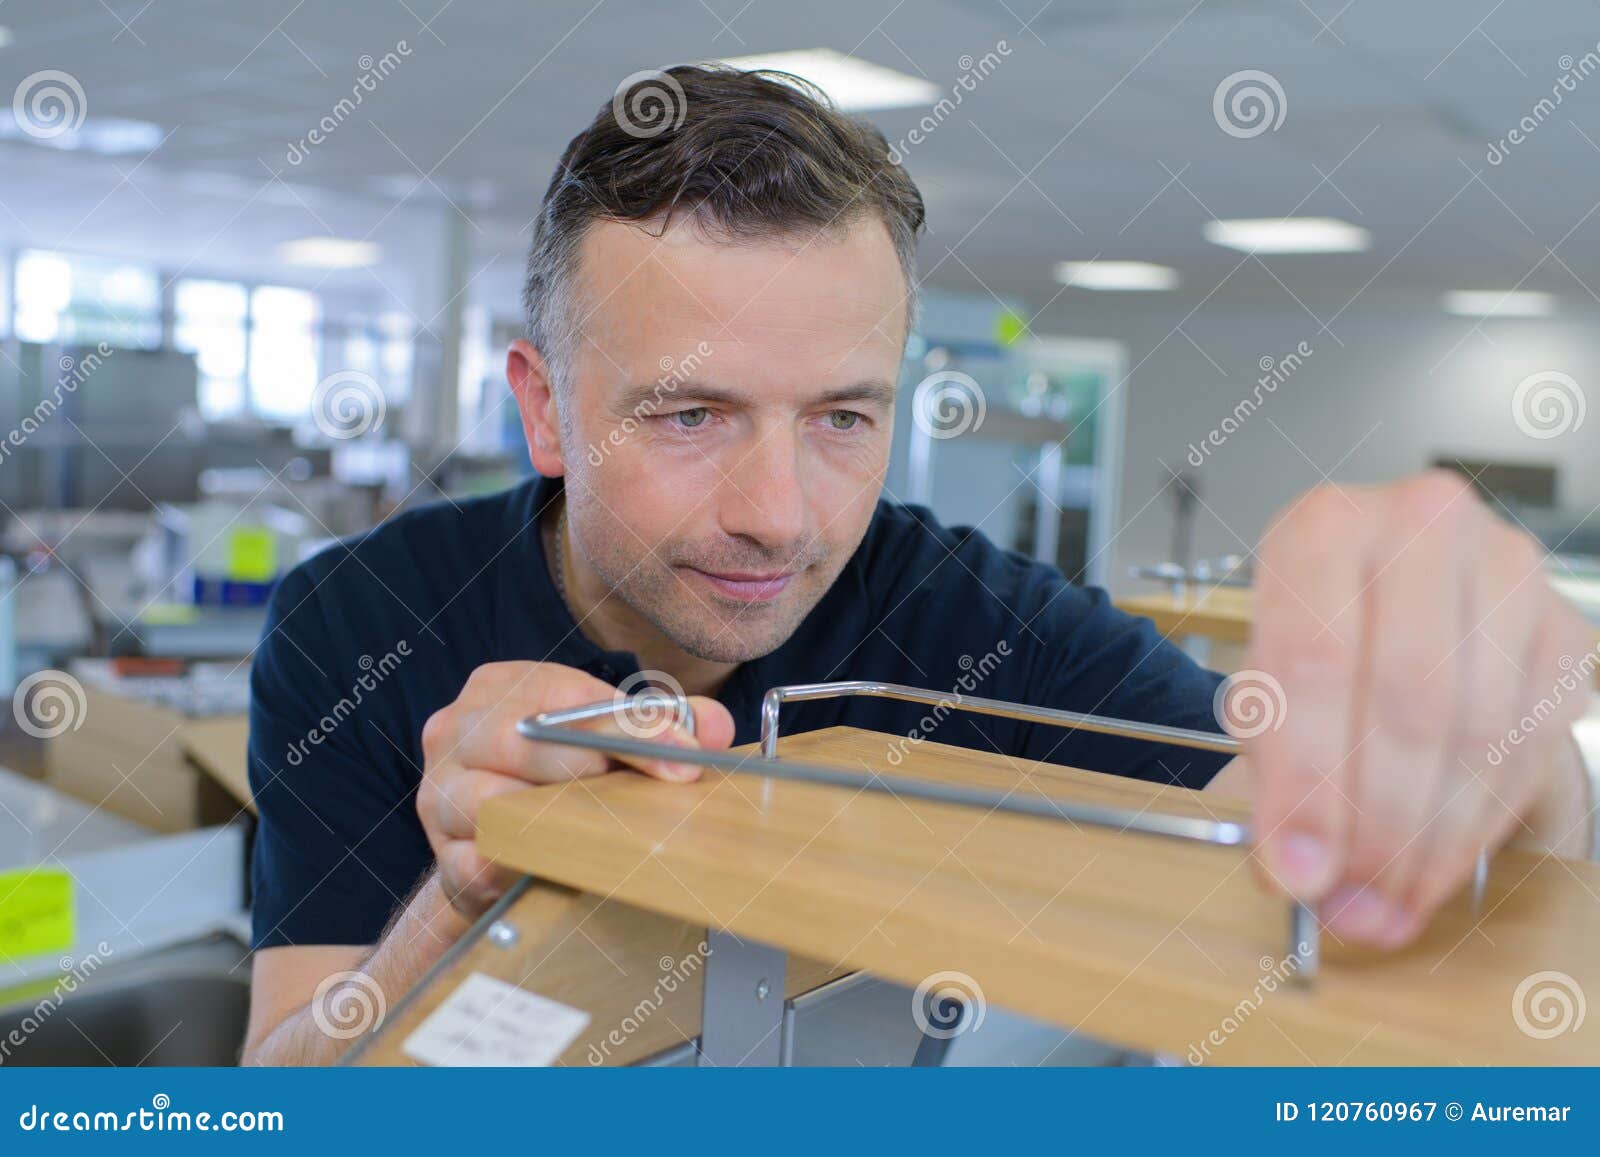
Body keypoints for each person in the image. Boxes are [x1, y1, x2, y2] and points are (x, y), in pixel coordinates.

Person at [240, 65, 1595, 1065]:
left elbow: (1301, 822)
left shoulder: (976, 619)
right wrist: (461, 898)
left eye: (844, 418)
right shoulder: (360, 621)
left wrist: (1500, 749)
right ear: (543, 411)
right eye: (691, 416)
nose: (781, 516)